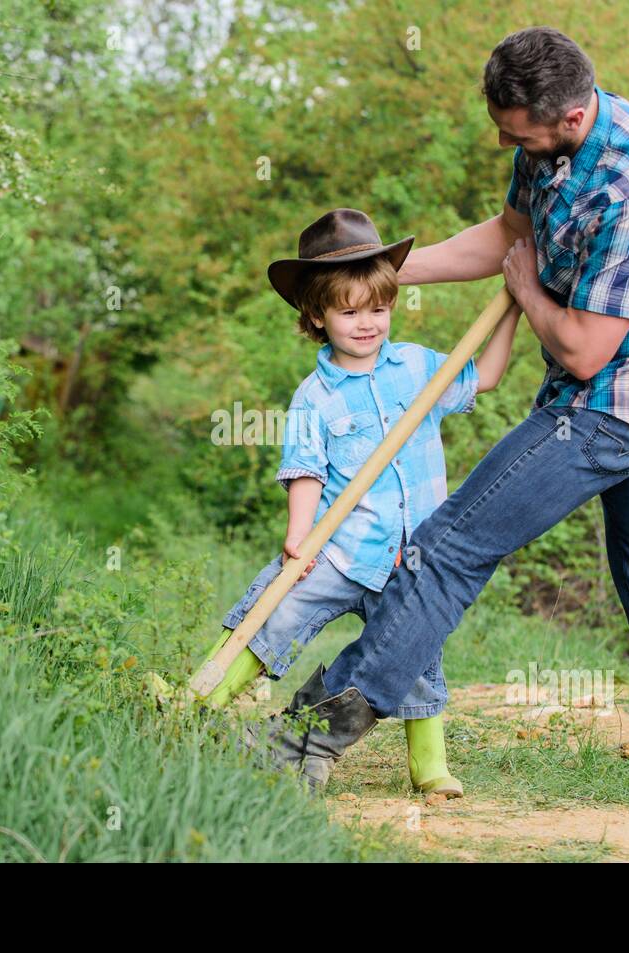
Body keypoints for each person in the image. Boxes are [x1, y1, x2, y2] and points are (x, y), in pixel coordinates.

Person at [247, 29, 629, 815]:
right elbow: (506, 235)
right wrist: (373, 273)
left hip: (614, 415)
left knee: (445, 548)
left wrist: (526, 290)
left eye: (514, 133)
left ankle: (308, 738)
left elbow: (585, 348)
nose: (503, 143)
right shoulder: (553, 141)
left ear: (567, 116)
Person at [198, 207, 520, 795]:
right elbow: (305, 471)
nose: (367, 323)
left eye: (379, 308)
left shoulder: (420, 367)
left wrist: (514, 303)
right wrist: (299, 536)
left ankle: (431, 768)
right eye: (349, 312)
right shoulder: (314, 396)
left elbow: (489, 375)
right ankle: (200, 700)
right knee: (275, 613)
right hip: (340, 550)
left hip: (412, 558)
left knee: (418, 658)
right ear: (316, 315)